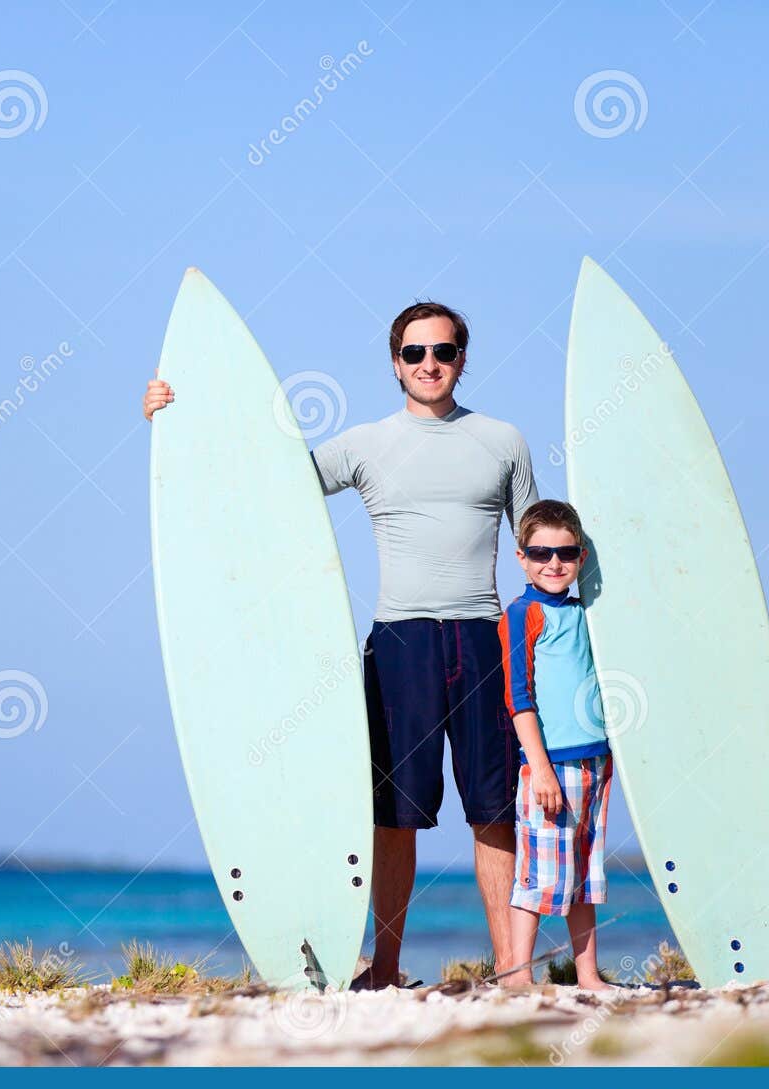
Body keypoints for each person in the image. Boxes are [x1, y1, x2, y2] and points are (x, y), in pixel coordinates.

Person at [144, 301, 539, 989]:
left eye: (442, 351)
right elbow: (268, 482)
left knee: (495, 811)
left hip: (483, 638)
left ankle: (512, 971)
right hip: (399, 645)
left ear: (463, 358)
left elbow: (540, 543)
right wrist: (177, 417)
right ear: (394, 363)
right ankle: (385, 968)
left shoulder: (503, 440)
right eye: (414, 354)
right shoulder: (365, 444)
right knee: (393, 818)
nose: (429, 365)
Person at [497, 499, 614, 989]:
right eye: (541, 553)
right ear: (521, 557)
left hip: (596, 762)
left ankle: (587, 976)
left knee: (584, 874)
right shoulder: (522, 614)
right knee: (540, 873)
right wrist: (540, 769)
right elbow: (518, 698)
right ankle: (516, 975)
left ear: (581, 556)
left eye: (565, 553)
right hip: (549, 767)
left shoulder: (591, 613)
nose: (553, 564)